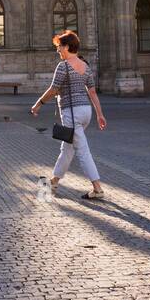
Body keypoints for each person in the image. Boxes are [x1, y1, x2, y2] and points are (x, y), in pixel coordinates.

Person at [30, 30, 107, 200]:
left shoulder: (63, 66)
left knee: (82, 150)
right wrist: (99, 114)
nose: (57, 51)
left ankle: (97, 188)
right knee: (68, 148)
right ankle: (53, 182)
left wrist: (38, 104)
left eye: (59, 47)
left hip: (72, 113)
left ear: (66, 47)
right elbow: (92, 92)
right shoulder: (85, 66)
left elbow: (53, 89)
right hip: (86, 111)